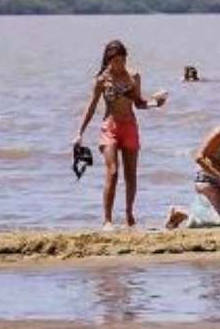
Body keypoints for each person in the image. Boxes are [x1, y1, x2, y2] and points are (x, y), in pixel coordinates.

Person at [72, 40, 167, 230]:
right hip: (110, 128)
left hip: (130, 127)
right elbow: (91, 107)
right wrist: (79, 133)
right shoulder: (102, 80)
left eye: (122, 59)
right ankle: (107, 220)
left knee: (131, 175)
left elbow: (139, 103)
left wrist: (156, 104)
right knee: (113, 172)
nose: (119, 64)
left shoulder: (134, 76)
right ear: (108, 60)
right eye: (115, 60)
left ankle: (129, 214)